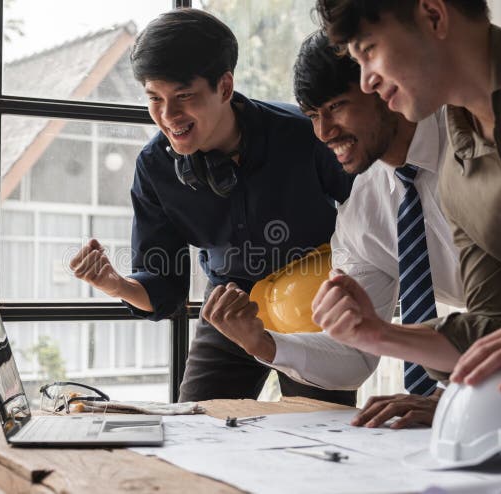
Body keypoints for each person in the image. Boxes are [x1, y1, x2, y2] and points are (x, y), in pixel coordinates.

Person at [203, 30, 501, 428]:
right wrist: (265, 343)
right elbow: (354, 356)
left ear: (382, 87)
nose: (324, 133)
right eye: (312, 116)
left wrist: (452, 395)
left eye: (337, 106)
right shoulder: (364, 211)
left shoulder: (476, 135)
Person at [312, 0, 501, 415]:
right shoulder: (457, 181)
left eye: (369, 51)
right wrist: (378, 333)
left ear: (433, 15)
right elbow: (497, 328)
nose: (365, 82)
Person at [69, 9, 356, 404]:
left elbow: (373, 207)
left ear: (224, 86)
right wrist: (115, 284)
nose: (169, 117)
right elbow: (163, 287)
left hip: (313, 307)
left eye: (184, 97)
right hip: (226, 308)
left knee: (327, 434)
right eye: (155, 99)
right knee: (194, 429)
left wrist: (355, 288)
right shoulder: (156, 167)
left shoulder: (304, 134)